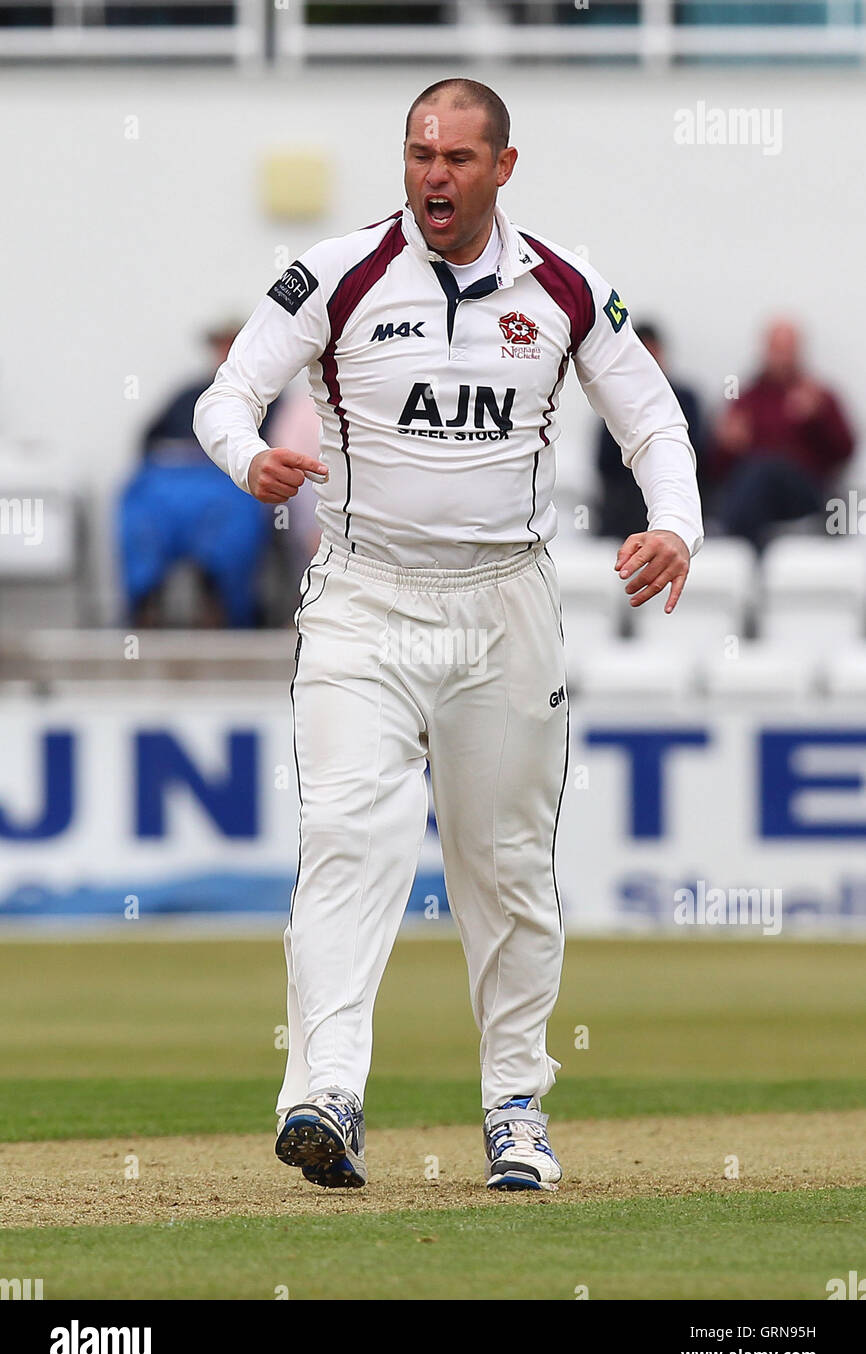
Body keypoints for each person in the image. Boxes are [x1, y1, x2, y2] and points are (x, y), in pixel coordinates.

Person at [194, 78, 703, 1192]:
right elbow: (224, 398)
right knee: (344, 838)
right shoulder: (334, 273)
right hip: (363, 599)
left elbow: (651, 419)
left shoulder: (564, 284)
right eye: (419, 153)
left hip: (503, 606)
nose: (434, 174)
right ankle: (325, 1090)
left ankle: (514, 1105)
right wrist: (249, 463)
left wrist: (673, 523)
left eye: (458, 157)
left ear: (501, 168)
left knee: (506, 868)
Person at [118, 323, 272, 627]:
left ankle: (222, 599)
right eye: (221, 345)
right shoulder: (190, 393)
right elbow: (149, 437)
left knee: (232, 519)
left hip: (228, 482)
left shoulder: (269, 398)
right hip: (169, 481)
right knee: (137, 503)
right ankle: (145, 596)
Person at [709, 319, 855, 548]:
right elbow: (717, 467)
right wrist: (728, 446)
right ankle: (744, 549)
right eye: (778, 350)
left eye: (788, 350)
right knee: (758, 473)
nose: (783, 358)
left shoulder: (819, 395)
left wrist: (818, 419)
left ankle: (728, 536)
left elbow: (845, 451)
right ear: (765, 351)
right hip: (756, 494)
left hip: (806, 491)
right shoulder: (745, 398)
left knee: (766, 467)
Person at [595, 321, 704, 540]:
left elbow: (699, 450)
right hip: (628, 498)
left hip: (671, 491)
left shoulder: (685, 397)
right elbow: (604, 462)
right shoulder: (613, 401)